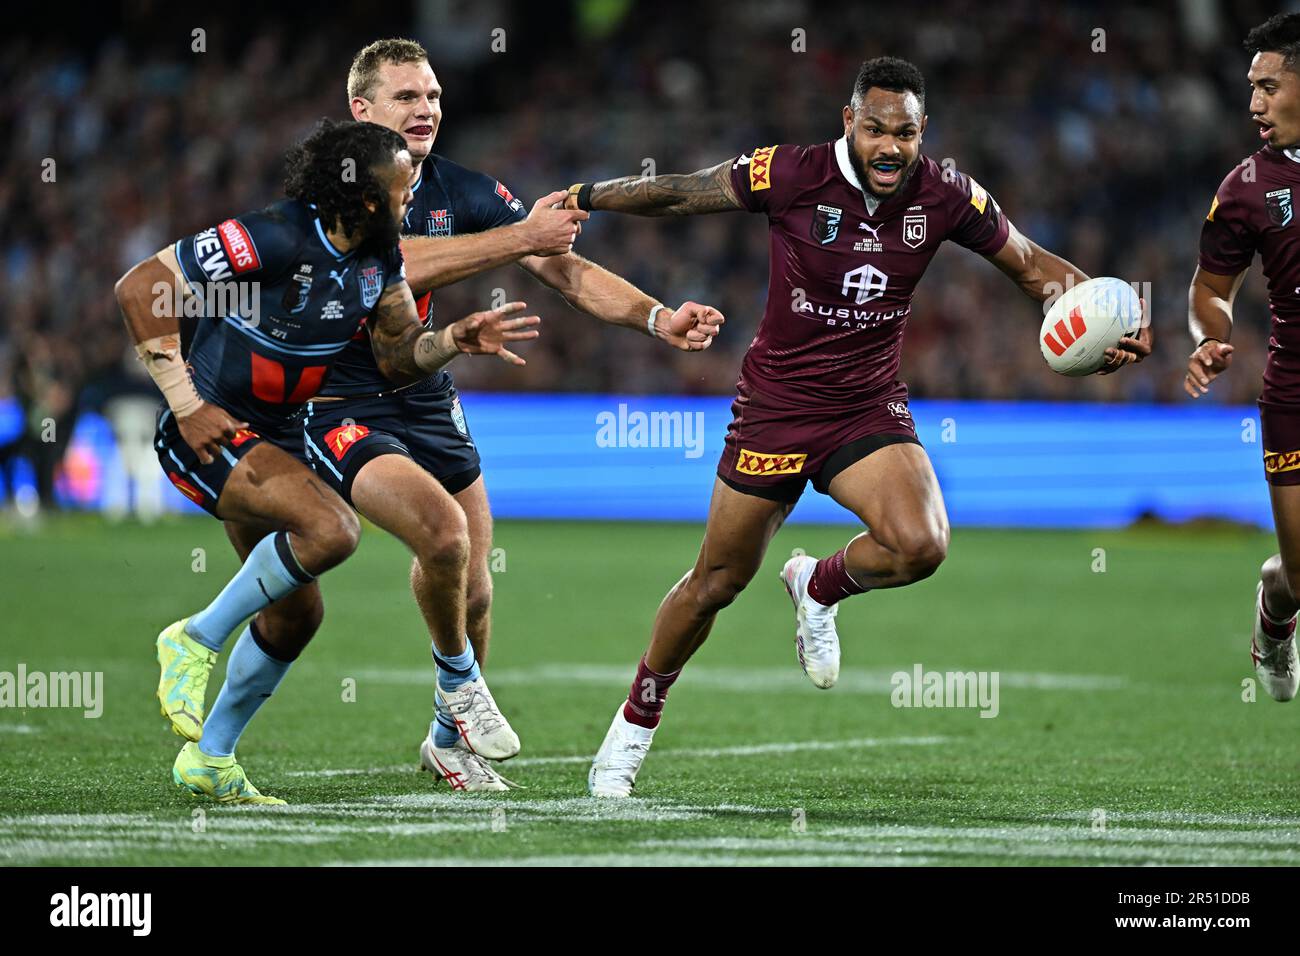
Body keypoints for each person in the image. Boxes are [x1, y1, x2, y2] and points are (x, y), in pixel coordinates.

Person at [567, 56, 1152, 797]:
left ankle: (818, 584)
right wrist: (590, 195)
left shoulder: (946, 194)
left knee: (921, 544)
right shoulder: (790, 172)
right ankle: (632, 728)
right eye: (875, 128)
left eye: (904, 133)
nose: (889, 146)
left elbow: (1034, 267)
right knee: (717, 581)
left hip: (866, 404)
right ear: (849, 122)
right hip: (778, 407)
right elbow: (681, 194)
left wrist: (1127, 313)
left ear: (922, 133)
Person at [300, 38, 724, 790]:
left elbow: (561, 267)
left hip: (425, 380)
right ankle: (450, 685)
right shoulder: (333, 194)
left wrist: (657, 319)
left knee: (478, 586)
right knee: (439, 536)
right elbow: (387, 264)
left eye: (432, 95)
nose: (426, 108)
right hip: (338, 391)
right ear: (361, 111)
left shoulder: (462, 188)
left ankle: (447, 740)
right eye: (407, 97)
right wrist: (519, 235)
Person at [114, 118, 538, 803]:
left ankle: (211, 757)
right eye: (403, 192)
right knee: (333, 530)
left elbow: (399, 356)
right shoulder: (271, 236)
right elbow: (140, 288)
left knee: (294, 615)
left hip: (285, 439)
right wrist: (185, 403)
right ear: (367, 199)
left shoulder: (381, 257)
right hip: (210, 432)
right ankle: (192, 640)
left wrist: (456, 337)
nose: (413, 203)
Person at [1187, 13, 1300, 704]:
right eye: (1250, 88)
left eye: (1268, 85)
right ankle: (1277, 601)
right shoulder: (1247, 188)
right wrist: (1210, 334)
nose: (1253, 103)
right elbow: (1210, 288)